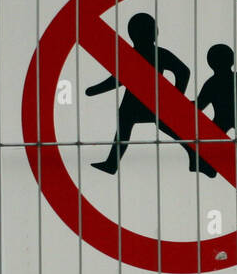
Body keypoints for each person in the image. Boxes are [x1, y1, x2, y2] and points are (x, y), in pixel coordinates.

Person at [87, 12, 214, 176]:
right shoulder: (154, 53)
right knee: (166, 130)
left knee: (128, 130)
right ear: (156, 32)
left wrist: (176, 98)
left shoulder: (135, 56)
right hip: (151, 102)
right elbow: (182, 71)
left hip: (137, 103)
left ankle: (112, 164)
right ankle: (112, 163)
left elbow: (116, 80)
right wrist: (177, 97)